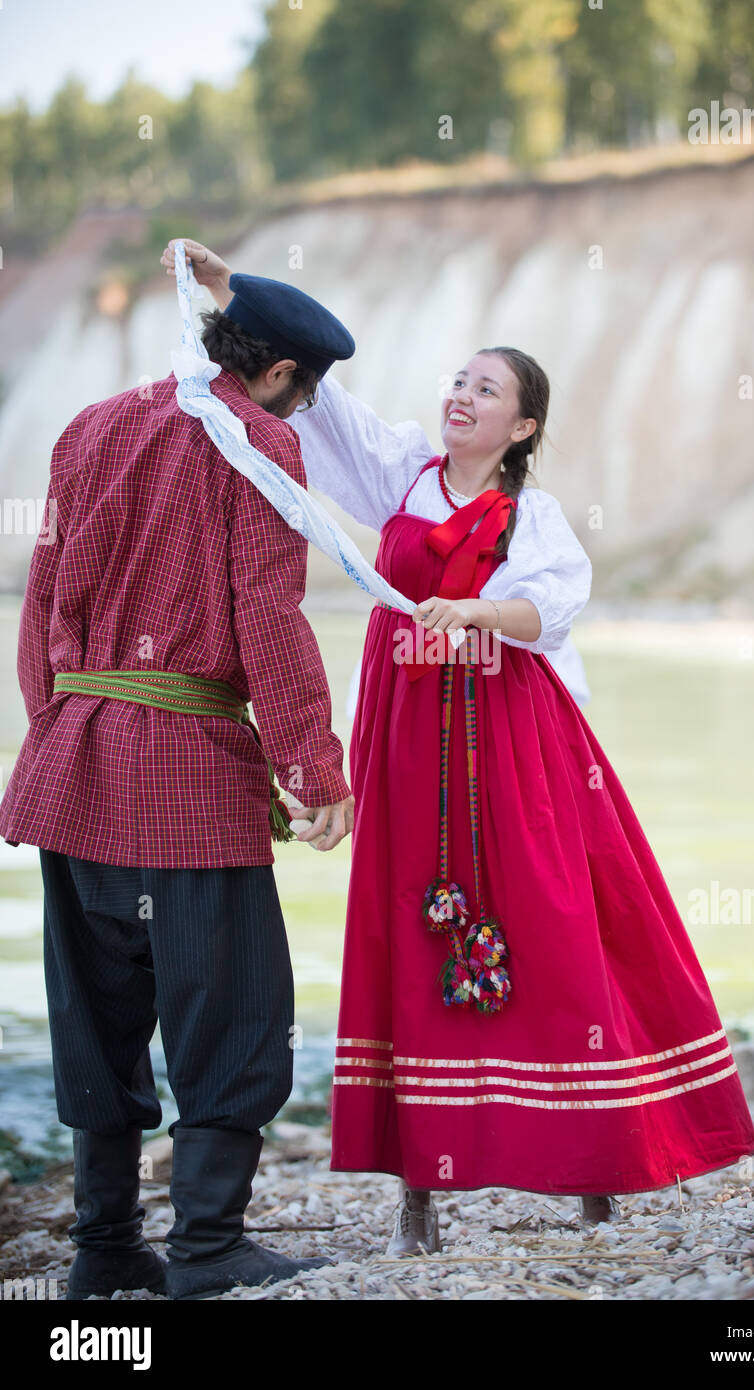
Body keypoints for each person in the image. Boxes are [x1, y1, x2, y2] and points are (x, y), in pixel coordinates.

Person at [163, 240, 754, 1259]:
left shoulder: (533, 513)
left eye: (486, 390)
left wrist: (477, 606)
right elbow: (325, 394)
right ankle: (417, 1199)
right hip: (408, 743)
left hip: (515, 749)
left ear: (522, 424)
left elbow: (552, 606)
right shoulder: (402, 472)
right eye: (457, 380)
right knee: (409, 934)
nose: (461, 396)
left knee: (557, 933)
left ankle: (593, 1174)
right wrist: (229, 292)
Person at [0, 272, 357, 1299]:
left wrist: (59, 733)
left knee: (94, 1015)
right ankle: (206, 1246)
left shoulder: (92, 425)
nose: (299, 413)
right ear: (278, 371)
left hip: (71, 759)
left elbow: (41, 605)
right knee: (237, 1012)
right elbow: (269, 615)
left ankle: (102, 1248)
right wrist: (310, 766)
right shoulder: (257, 441)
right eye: (303, 391)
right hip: (188, 773)